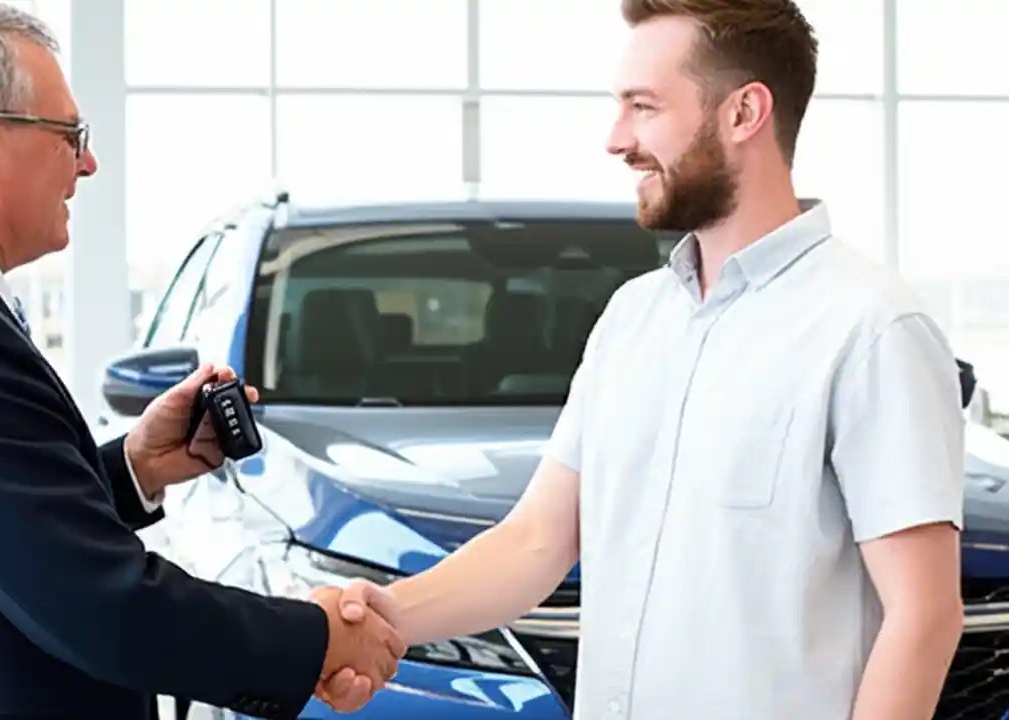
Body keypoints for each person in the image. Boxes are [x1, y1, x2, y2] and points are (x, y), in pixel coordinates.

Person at [317, 1, 967, 718]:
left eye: (644, 106)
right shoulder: (634, 316)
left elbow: (924, 614)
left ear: (744, 112)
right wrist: (386, 613)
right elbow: (539, 541)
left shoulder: (871, 327)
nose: (617, 139)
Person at [0, 3, 400, 719]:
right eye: (70, 134)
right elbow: (102, 608)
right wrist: (312, 638)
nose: (88, 161)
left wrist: (135, 466)